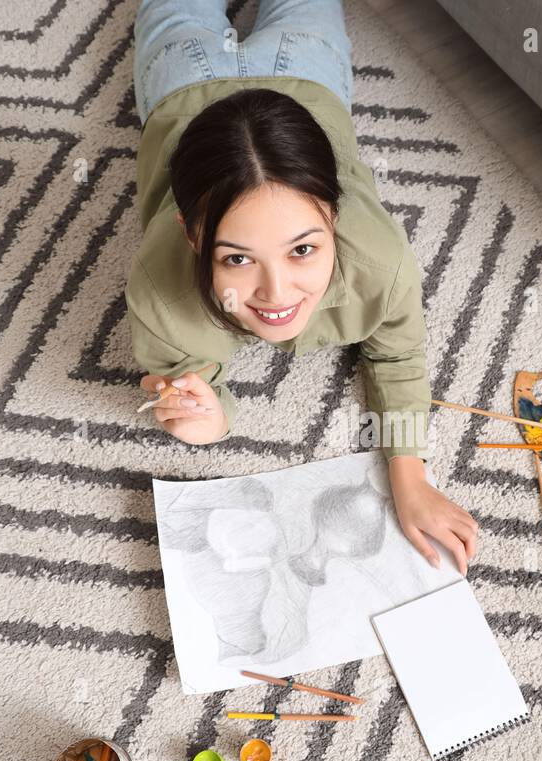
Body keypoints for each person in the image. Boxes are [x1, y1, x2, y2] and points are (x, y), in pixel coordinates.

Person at [129, 0, 478, 572]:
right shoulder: (158, 293)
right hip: (184, 80)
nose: (277, 293)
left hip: (300, 75)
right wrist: (213, 420)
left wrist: (409, 476)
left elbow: (398, 355)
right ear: (192, 237)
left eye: (303, 249)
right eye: (238, 257)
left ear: (334, 218)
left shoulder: (382, 263)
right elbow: (193, 383)